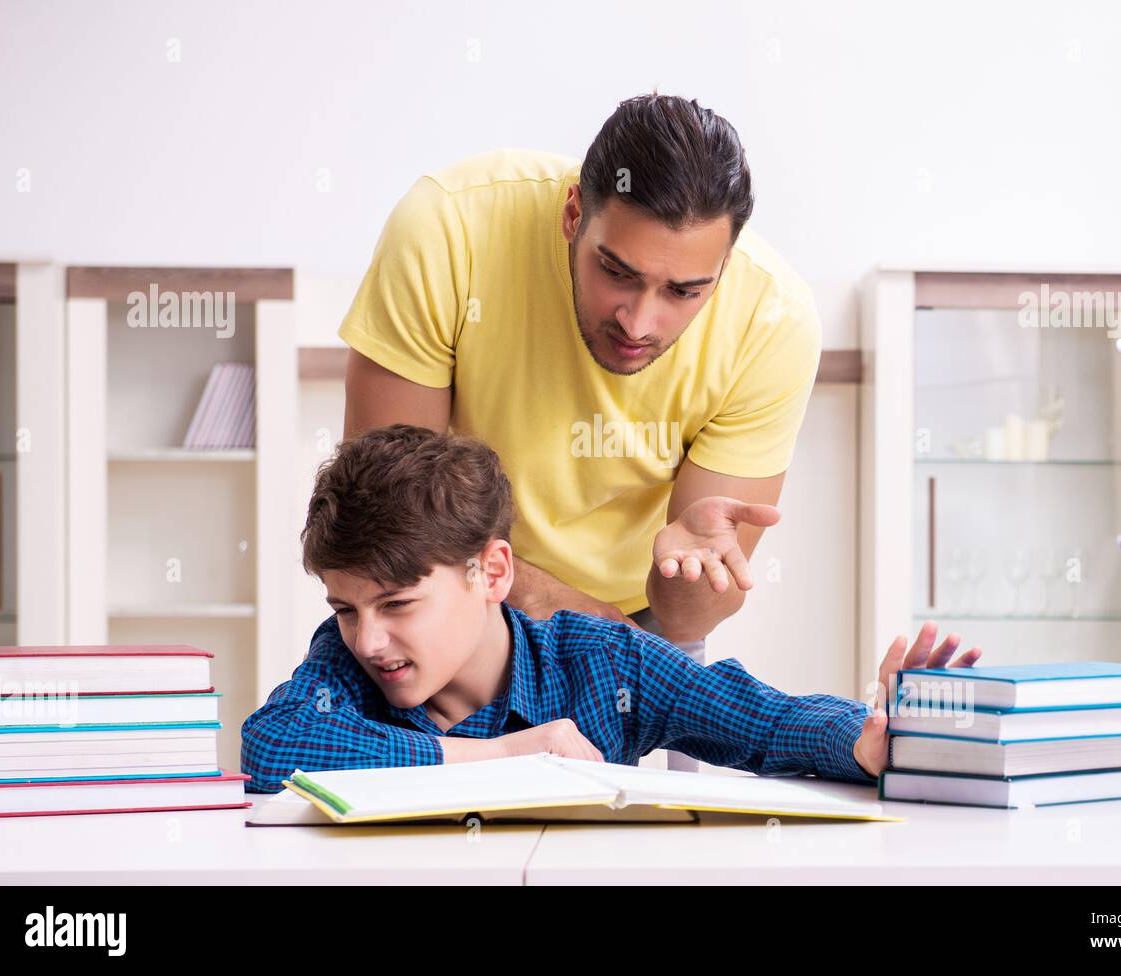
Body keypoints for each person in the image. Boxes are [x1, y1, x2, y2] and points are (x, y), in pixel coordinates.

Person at [339, 95, 824, 774]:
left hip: (637, 635)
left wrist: (683, 578)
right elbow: (384, 520)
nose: (639, 322)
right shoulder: (447, 226)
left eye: (684, 292)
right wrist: (586, 626)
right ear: (573, 214)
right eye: (616, 272)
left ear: (726, 265)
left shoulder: (772, 321)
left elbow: (685, 624)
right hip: (460, 613)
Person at [240, 425, 982, 794]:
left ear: (492, 570)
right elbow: (273, 750)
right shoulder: (341, 663)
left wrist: (865, 742)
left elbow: (764, 718)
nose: (369, 638)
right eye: (346, 607)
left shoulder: (604, 664)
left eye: (398, 603)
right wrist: (504, 758)